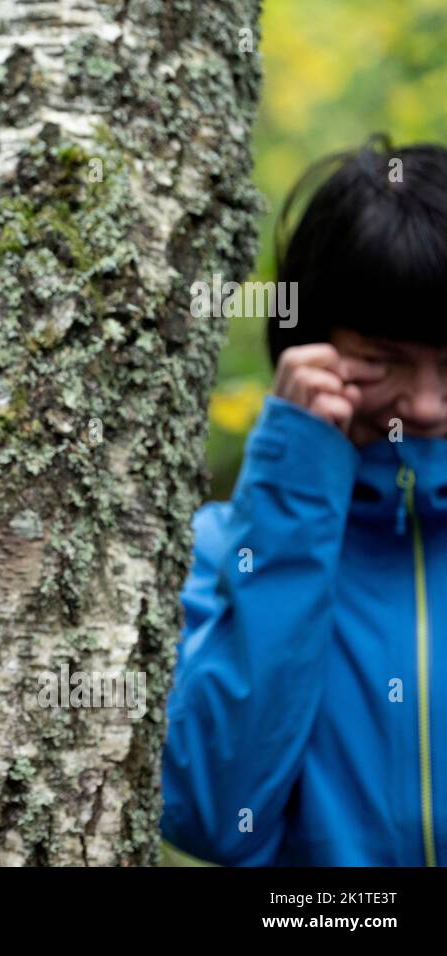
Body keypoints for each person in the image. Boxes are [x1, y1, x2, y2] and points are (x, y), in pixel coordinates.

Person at [161, 137, 447, 865]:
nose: (426, 402)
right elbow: (215, 816)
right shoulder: (230, 547)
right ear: (311, 346)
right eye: (383, 361)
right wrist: (295, 483)